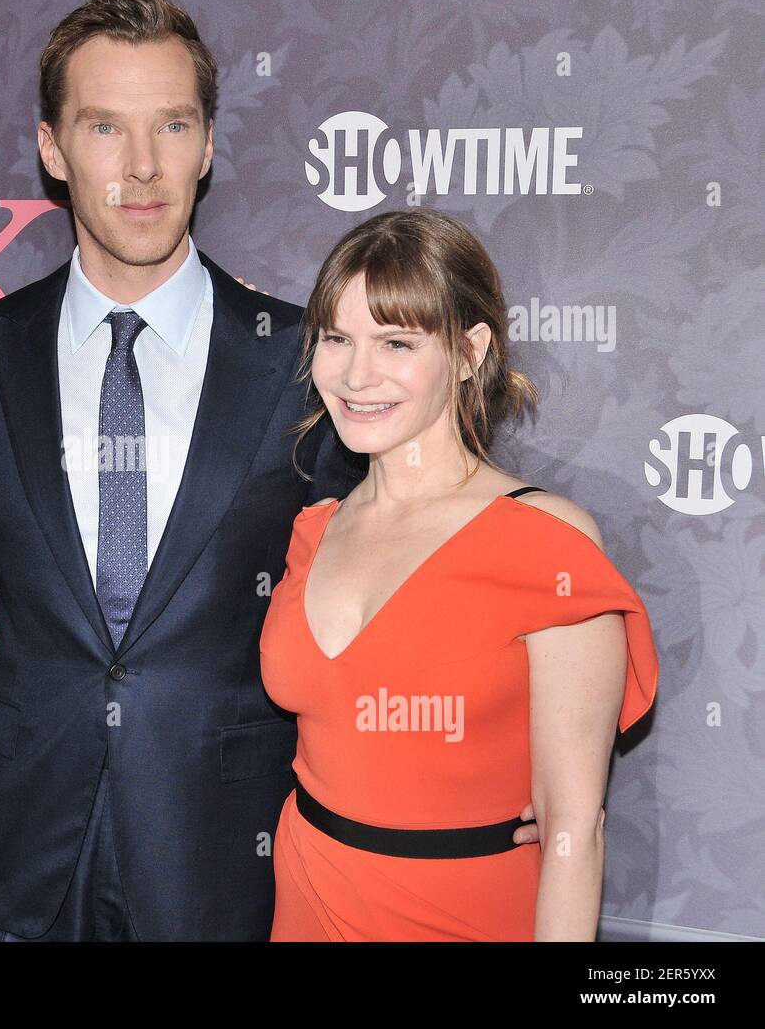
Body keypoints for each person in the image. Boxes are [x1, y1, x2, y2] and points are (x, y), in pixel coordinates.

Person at [0, 0, 541, 941]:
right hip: (17, 843)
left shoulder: (304, 361)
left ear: (207, 145)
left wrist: (498, 751)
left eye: (173, 124)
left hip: (227, 849)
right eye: (104, 128)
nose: (143, 166)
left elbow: (404, 556)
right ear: (52, 150)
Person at [260, 208, 660, 941]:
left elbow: (574, 832)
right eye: (337, 339)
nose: (355, 375)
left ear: (470, 352)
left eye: (397, 342)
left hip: (464, 914)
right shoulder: (315, 530)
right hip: (308, 896)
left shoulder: (548, 543)